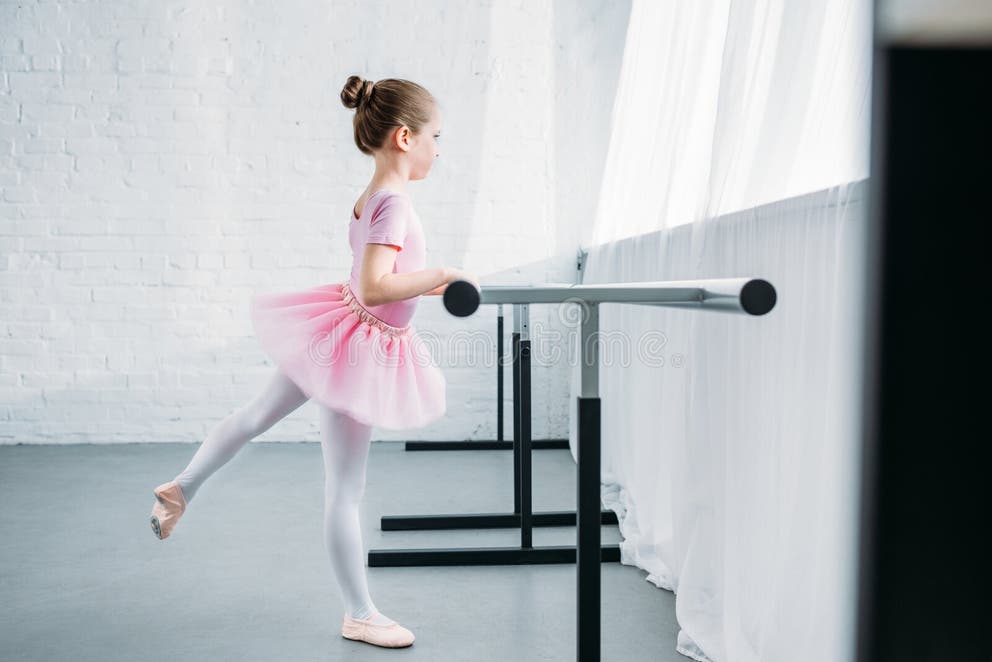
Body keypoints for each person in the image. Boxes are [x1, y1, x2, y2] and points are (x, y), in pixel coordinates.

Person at [149, 75, 480, 649]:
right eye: (435, 137)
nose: (438, 149)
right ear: (405, 137)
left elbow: (382, 280)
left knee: (255, 415)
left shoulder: (372, 195)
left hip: (339, 330)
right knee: (345, 489)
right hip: (359, 346)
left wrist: (422, 286)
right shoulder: (394, 203)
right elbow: (378, 287)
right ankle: (359, 613)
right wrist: (444, 275)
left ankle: (180, 487)